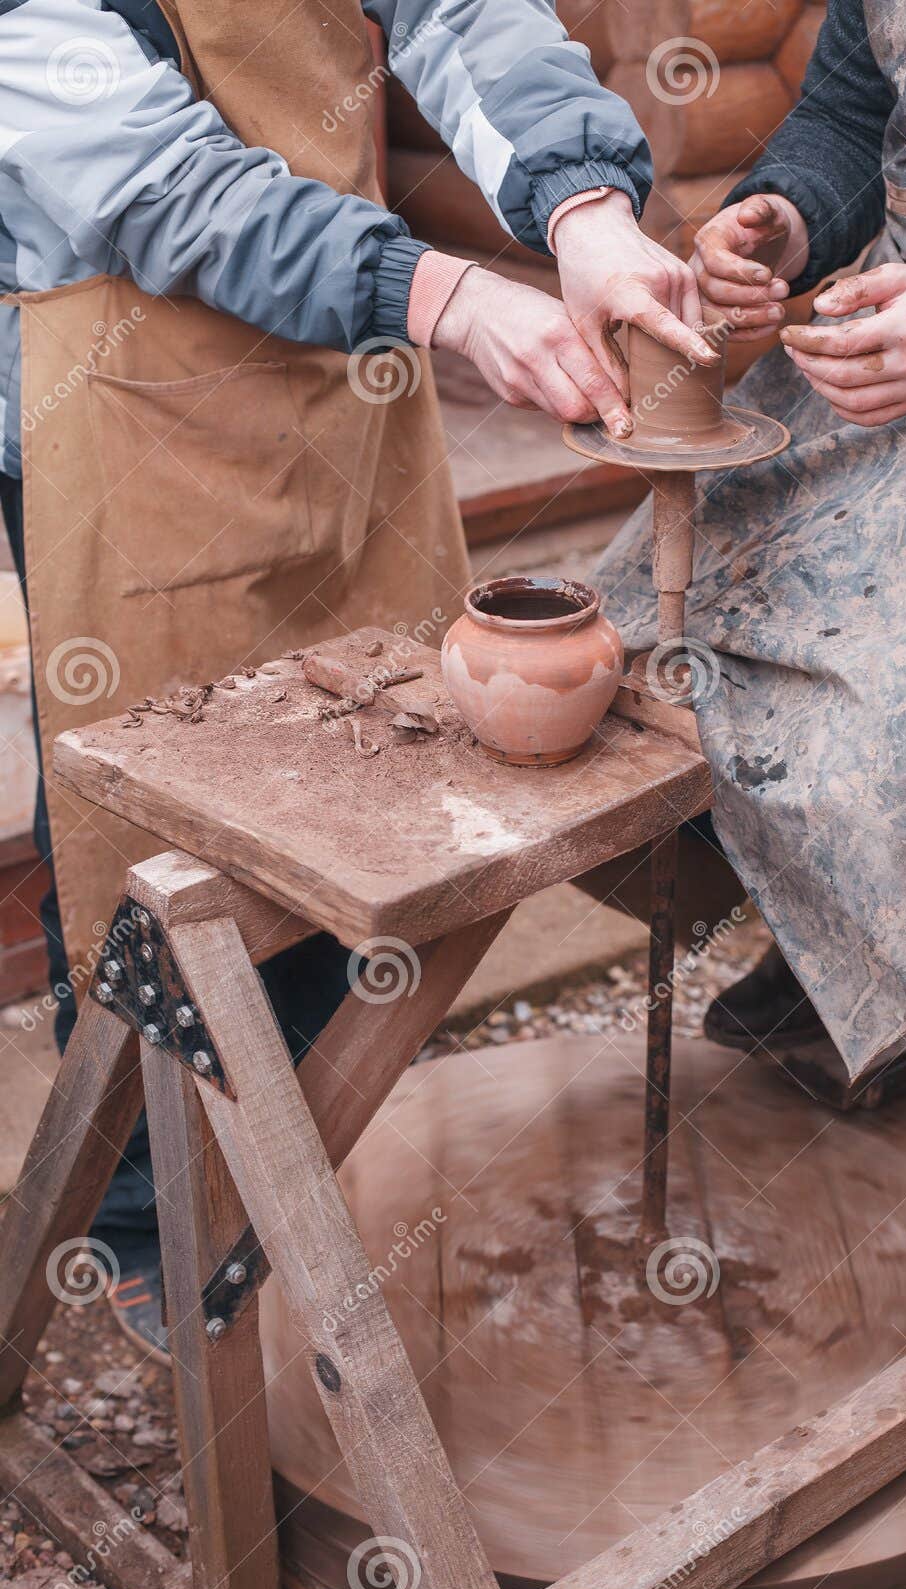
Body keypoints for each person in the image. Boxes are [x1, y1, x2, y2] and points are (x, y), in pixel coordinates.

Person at [0, 0, 708, 1356]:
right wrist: (447, 296)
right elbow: (165, 187)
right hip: (127, 381)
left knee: (371, 775)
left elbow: (459, 10)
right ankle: (145, 1211)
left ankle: (303, 1150)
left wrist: (585, 213)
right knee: (162, 827)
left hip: (341, 368)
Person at [587, 0, 906, 1310]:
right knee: (636, 645)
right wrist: (784, 218)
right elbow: (855, 116)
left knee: (895, 710)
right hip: (895, 350)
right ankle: (835, 963)